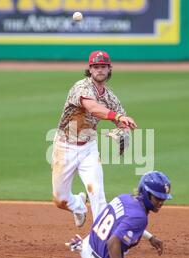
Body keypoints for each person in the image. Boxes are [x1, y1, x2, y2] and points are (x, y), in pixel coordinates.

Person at [52, 50, 137, 228]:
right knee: (60, 200)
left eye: (103, 67)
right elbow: (93, 108)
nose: (99, 70)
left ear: (109, 69)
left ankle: (102, 238)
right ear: (90, 69)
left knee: (97, 194)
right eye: (96, 67)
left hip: (88, 149)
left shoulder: (111, 98)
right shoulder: (81, 87)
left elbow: (121, 120)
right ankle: (79, 206)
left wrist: (124, 131)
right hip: (64, 146)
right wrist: (118, 117)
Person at [46, 171, 172, 258]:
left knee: (119, 233)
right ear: (146, 193)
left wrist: (150, 237)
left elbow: (126, 223)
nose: (161, 203)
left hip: (88, 244)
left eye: (163, 199)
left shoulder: (125, 197)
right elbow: (113, 243)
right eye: (157, 198)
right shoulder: (140, 217)